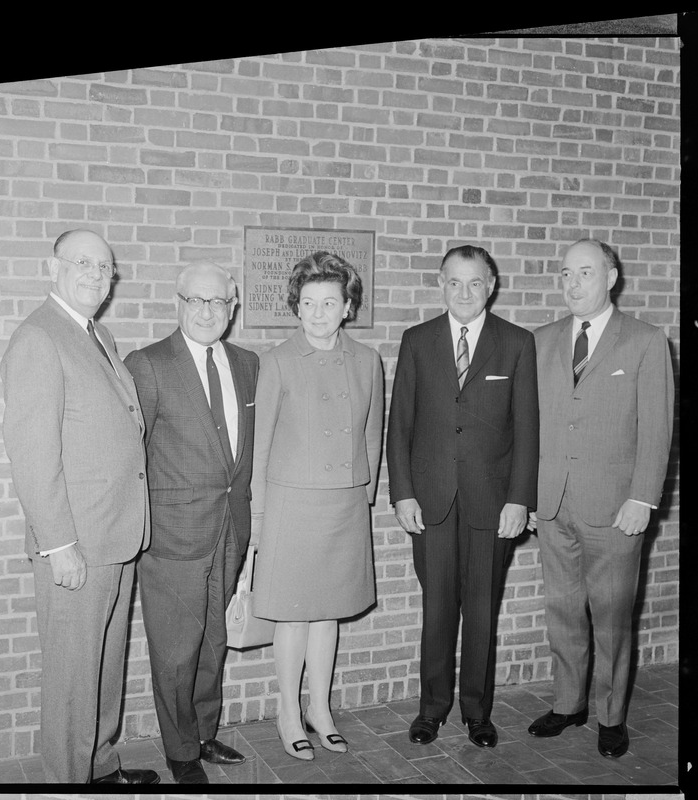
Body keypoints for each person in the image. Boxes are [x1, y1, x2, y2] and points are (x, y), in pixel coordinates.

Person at [0, 229, 159, 784]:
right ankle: (67, 783)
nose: (96, 275)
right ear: (54, 267)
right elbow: (32, 454)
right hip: (77, 545)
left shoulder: (96, 334)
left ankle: (100, 765)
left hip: (115, 535)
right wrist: (58, 544)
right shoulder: (39, 338)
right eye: (83, 263)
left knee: (105, 665)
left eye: (105, 267)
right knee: (72, 679)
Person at [526, 238, 674, 758]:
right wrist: (524, 496)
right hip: (552, 504)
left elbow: (657, 429)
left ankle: (611, 715)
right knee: (562, 609)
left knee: (611, 615)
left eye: (584, 273)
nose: (572, 284)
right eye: (565, 274)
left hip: (615, 508)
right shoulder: (539, 341)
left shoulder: (645, 340)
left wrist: (644, 498)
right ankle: (569, 704)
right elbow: (526, 428)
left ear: (611, 277)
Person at [386, 244, 539, 749]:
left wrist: (519, 499)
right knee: (436, 611)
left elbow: (527, 430)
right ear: (440, 284)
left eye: (475, 282)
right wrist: (402, 494)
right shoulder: (418, 340)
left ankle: (477, 711)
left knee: (481, 610)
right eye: (455, 282)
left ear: (491, 285)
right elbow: (399, 425)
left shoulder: (516, 343)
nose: (465, 292)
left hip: (490, 504)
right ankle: (431, 709)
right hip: (430, 500)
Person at [123, 262, 259, 785]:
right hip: (172, 535)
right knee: (176, 650)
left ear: (232, 307)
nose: (208, 311)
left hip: (231, 527)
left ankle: (203, 732)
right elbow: (131, 455)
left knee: (214, 641)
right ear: (178, 304)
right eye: (197, 301)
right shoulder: (149, 364)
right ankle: (180, 752)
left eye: (219, 302)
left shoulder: (247, 364)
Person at [250, 251, 383, 761]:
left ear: (347, 307)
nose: (319, 312)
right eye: (309, 303)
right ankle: (288, 711)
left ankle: (320, 709)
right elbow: (261, 445)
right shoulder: (277, 360)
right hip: (292, 504)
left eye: (330, 302)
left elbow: (373, 432)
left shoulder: (368, 360)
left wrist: (364, 495)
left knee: (329, 613)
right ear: (296, 307)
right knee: (292, 616)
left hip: (345, 505)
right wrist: (260, 516)